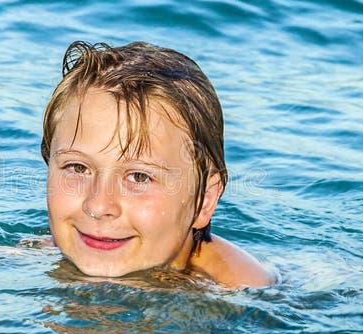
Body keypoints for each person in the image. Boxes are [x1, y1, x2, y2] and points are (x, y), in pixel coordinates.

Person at [39, 40, 277, 289]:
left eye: (139, 177)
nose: (98, 206)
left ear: (204, 200)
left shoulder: (242, 293)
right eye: (77, 168)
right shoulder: (38, 252)